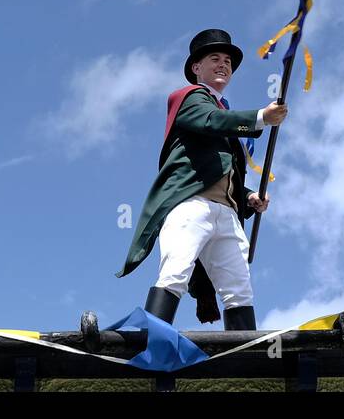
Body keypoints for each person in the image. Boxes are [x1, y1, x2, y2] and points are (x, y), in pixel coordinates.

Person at [116, 28, 287, 330]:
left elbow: (222, 168)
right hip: (191, 206)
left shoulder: (225, 112)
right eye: (215, 59)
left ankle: (243, 359)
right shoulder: (190, 98)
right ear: (197, 68)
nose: (224, 65)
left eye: (228, 62)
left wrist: (248, 196)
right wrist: (260, 117)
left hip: (227, 213)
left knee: (239, 289)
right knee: (175, 273)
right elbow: (210, 121)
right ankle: (154, 344)